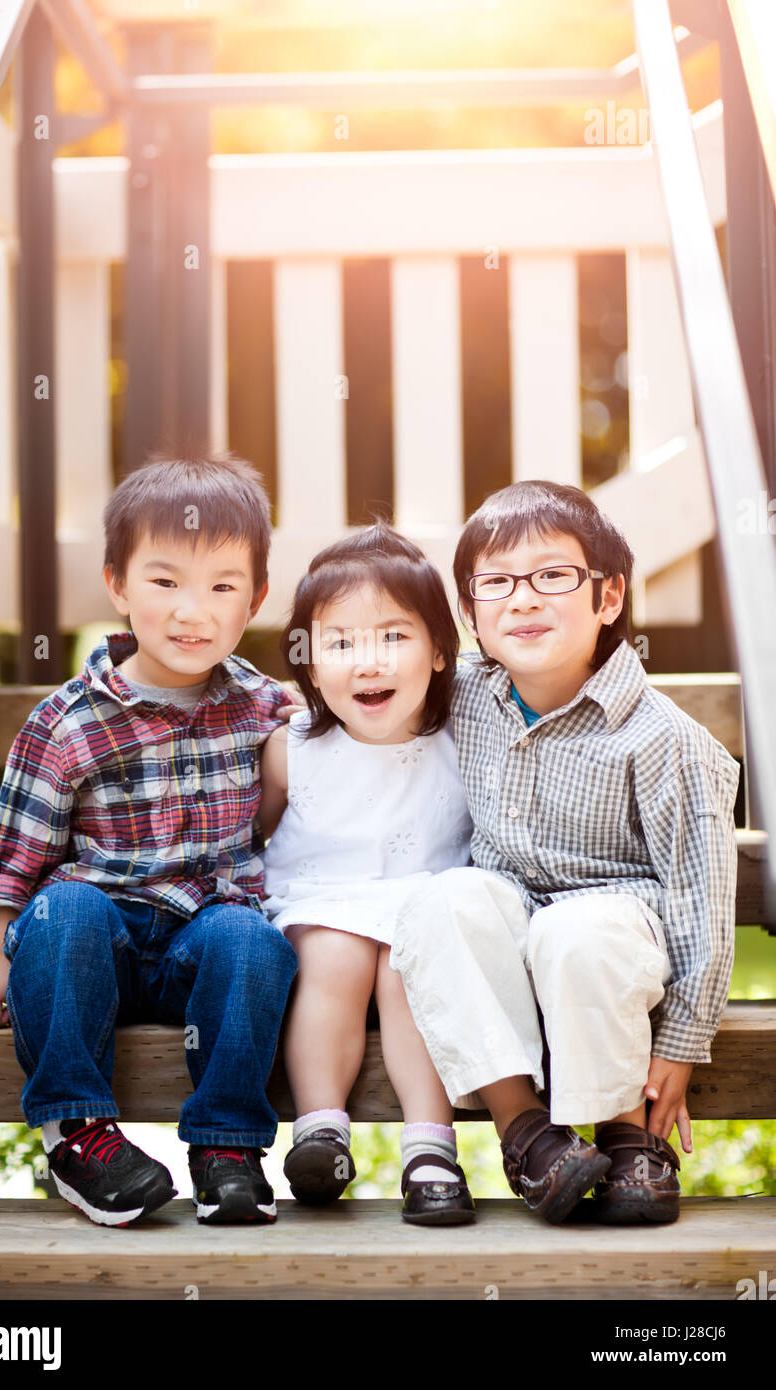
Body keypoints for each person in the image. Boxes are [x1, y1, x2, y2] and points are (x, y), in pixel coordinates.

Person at [390, 480, 740, 1224]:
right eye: (496, 582)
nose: (523, 599)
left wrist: (680, 1044)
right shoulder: (468, 697)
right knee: (442, 900)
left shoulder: (661, 737)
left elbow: (702, 900)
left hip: (612, 945)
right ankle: (530, 1136)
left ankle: (625, 1138)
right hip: (512, 931)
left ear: (608, 597)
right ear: (470, 614)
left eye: (553, 576)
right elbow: (364, 674)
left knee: (574, 931)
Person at [0, 454, 298, 1227]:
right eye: (164, 582)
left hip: (205, 937)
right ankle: (78, 1131)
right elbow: (15, 849)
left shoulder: (261, 706)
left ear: (256, 598)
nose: (193, 611)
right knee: (67, 909)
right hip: (97, 939)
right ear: (117, 584)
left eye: (222, 586)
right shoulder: (68, 720)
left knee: (254, 939)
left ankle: (227, 1147)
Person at [260, 523, 476, 1224]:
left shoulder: (462, 734)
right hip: (324, 904)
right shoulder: (292, 747)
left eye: (393, 636)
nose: (367, 662)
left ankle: (429, 1147)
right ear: (310, 663)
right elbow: (252, 837)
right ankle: (321, 1130)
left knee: (408, 964)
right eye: (341, 643)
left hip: (426, 902)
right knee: (334, 957)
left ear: (440, 650)